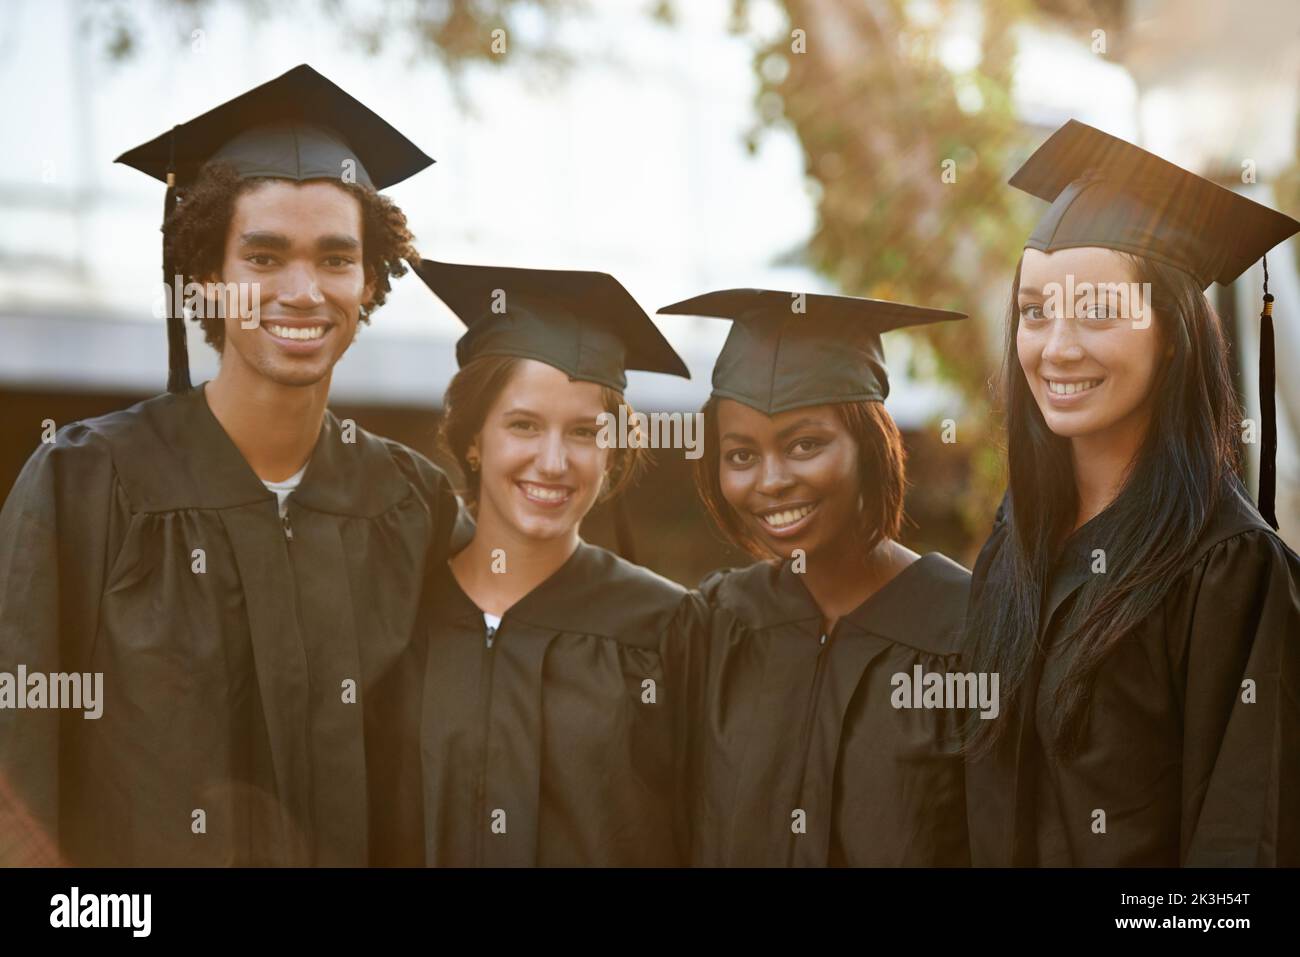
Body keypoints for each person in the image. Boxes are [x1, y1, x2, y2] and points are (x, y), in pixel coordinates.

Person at [0, 65, 464, 866]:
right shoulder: (86, 483)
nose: (301, 290)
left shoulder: (411, 505)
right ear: (207, 279)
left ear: (370, 279)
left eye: (334, 258)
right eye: (264, 256)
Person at [963, 119, 1300, 866]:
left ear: (1174, 332)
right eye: (1035, 310)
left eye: (1097, 311)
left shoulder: (1231, 570)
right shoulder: (1015, 538)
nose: (1056, 346)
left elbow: (1243, 844)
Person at [409, 258, 708, 866]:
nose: (552, 462)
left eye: (582, 432)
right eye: (523, 425)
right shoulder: (402, 611)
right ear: (473, 438)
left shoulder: (667, 629)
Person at [658, 288, 972, 866]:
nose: (772, 481)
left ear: (869, 445)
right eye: (741, 455)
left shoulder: (968, 634)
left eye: (806, 444)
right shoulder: (719, 627)